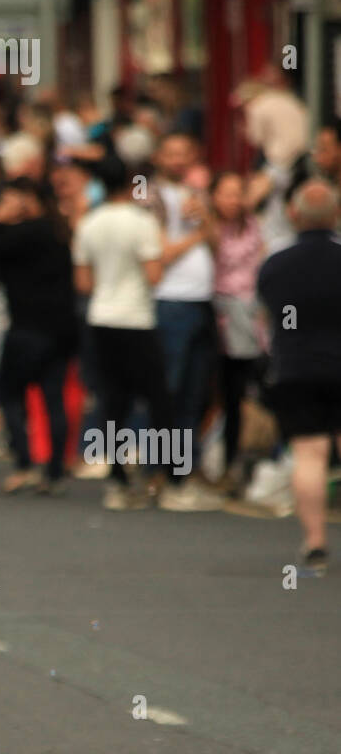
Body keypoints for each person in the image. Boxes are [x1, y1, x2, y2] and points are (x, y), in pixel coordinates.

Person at [72, 154, 217, 511]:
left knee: (113, 400)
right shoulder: (141, 222)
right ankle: (173, 481)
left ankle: (119, 482)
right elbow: (154, 275)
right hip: (137, 318)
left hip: (102, 318)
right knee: (160, 400)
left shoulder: (88, 223)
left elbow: (83, 282)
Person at [255, 180, 341, 573]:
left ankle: (315, 542)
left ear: (295, 214)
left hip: (296, 368)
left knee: (310, 453)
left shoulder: (276, 265)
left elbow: (268, 317)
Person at [0, 177, 79, 494]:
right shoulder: (59, 229)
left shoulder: (26, 232)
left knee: (10, 395)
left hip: (28, 329)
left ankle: (24, 465)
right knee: (54, 399)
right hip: (61, 329)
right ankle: (54, 471)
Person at [150, 133, 217, 457]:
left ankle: (184, 469)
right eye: (170, 153)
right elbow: (162, 253)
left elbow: (217, 244)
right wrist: (199, 233)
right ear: (159, 157)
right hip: (171, 301)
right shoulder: (150, 195)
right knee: (168, 388)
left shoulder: (197, 194)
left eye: (184, 153)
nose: (177, 160)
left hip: (203, 300)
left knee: (195, 391)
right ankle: (156, 465)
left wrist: (205, 220)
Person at [210, 170, 265, 494]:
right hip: (214, 314)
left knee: (242, 393)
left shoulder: (253, 227)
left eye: (238, 193)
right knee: (215, 394)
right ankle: (189, 463)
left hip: (247, 320)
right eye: (226, 193)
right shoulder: (205, 226)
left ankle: (237, 465)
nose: (233, 200)